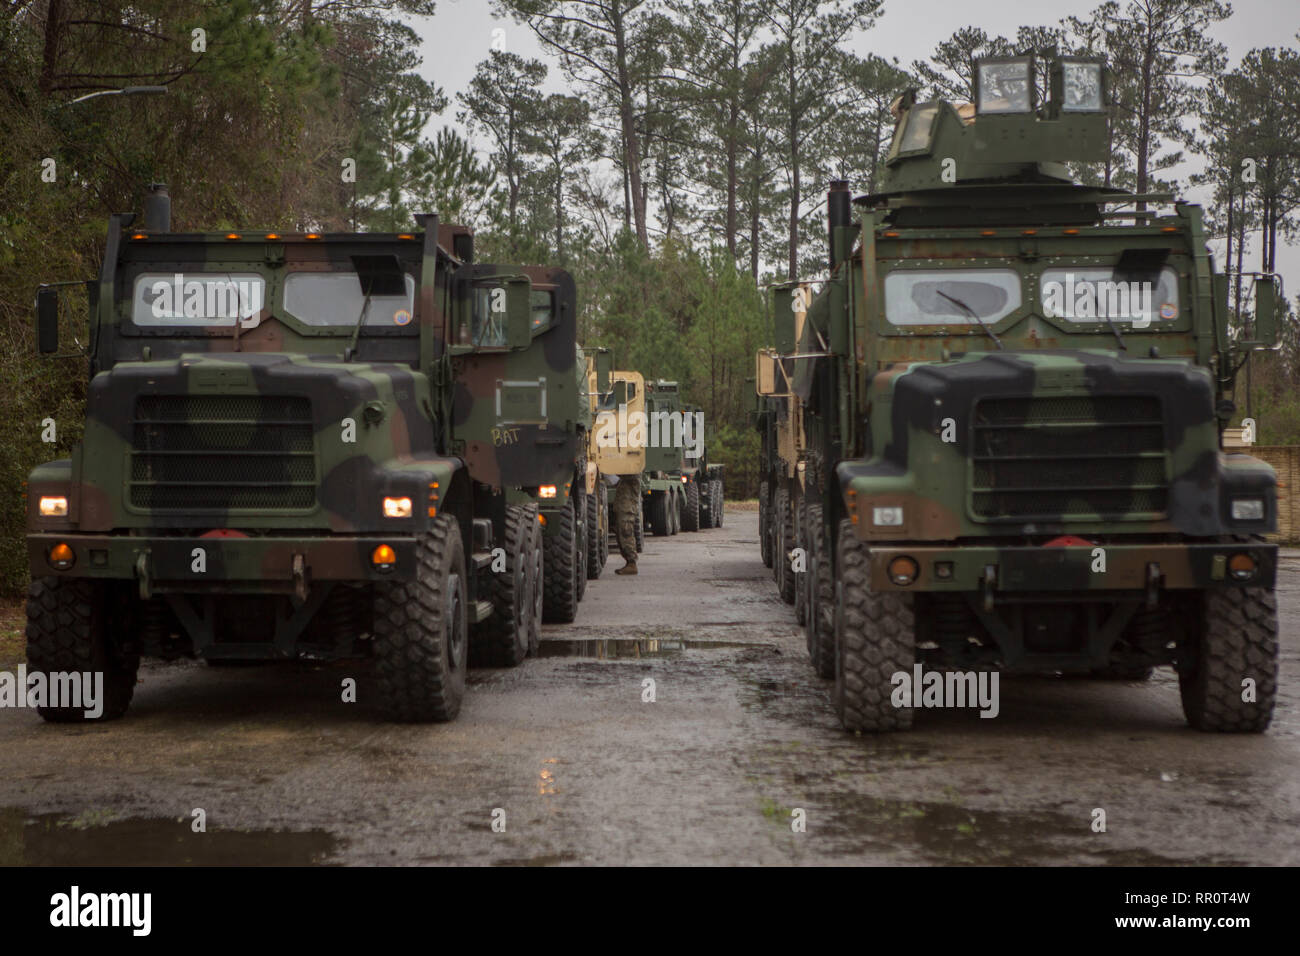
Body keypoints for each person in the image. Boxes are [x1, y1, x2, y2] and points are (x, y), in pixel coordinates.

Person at [610, 473, 639, 575]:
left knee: (625, 531)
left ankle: (631, 563)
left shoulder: (632, 472)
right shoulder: (625, 478)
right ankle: (629, 562)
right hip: (623, 506)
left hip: (627, 508)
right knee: (621, 532)